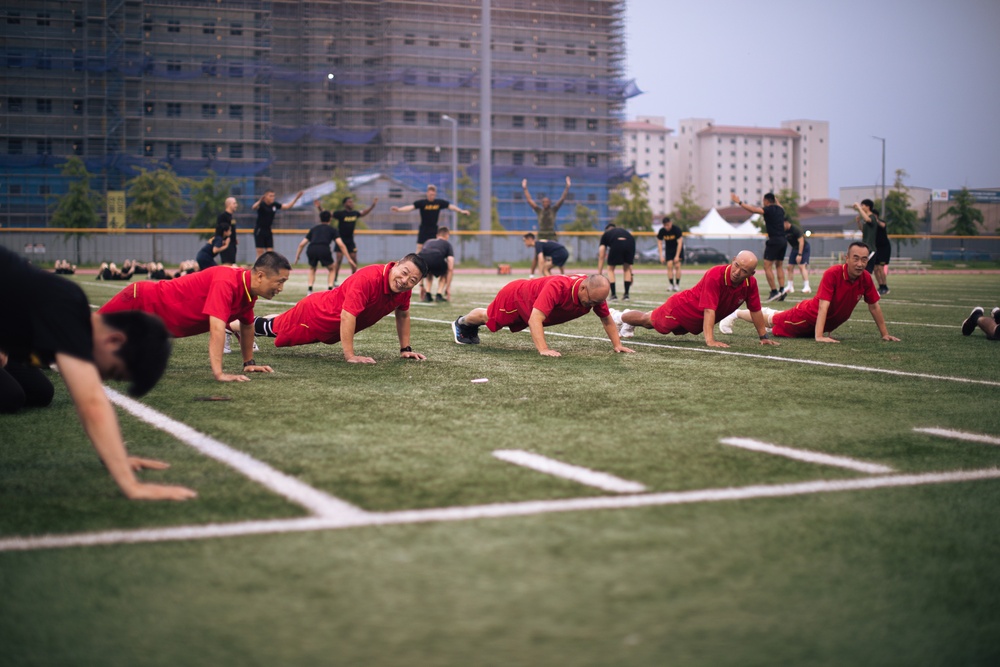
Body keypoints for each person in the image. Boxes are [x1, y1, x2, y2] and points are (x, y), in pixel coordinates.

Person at [0, 245, 194, 501]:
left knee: (40, 392)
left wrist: (115, 458)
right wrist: (131, 485)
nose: (101, 379)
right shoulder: (68, 307)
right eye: (112, 371)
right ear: (114, 340)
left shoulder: (71, 317)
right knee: (10, 396)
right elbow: (91, 402)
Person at [99, 252, 291, 382]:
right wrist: (219, 373)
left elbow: (247, 325)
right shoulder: (226, 282)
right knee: (87, 329)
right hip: (140, 300)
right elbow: (217, 328)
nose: (281, 288)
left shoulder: (248, 292)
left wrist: (249, 363)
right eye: (280, 281)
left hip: (151, 326)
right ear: (260, 276)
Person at [247, 254, 429, 364]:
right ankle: (236, 325)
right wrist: (350, 356)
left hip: (325, 318)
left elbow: (403, 315)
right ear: (395, 264)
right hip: (317, 316)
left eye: (412, 280)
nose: (405, 281)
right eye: (404, 273)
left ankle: (246, 324)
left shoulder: (404, 290)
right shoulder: (368, 278)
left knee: (281, 321)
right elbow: (348, 315)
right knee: (271, 328)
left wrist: (405, 349)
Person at [718, 242, 900, 343]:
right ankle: (736, 313)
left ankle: (742, 314)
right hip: (806, 317)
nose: (860, 264)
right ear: (846, 258)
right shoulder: (833, 273)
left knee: (775, 318)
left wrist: (884, 334)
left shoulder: (865, 278)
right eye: (856, 259)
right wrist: (819, 337)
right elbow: (823, 307)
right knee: (772, 320)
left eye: (864, 260)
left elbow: (874, 306)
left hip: (819, 322)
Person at [611, 250, 779, 349]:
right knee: (648, 321)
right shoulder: (716, 275)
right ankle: (618, 316)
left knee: (649, 319)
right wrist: (710, 340)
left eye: (744, 271)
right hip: (682, 309)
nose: (737, 272)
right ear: (733, 260)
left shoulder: (751, 283)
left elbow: (755, 310)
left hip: (696, 320)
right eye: (737, 265)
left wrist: (763, 336)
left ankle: (627, 322)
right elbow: (709, 310)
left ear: (751, 274)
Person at [451, 273, 635, 357]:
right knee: (489, 318)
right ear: (583, 288)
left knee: (492, 318)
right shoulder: (558, 287)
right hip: (516, 298)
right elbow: (535, 319)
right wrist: (543, 349)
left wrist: (617, 345)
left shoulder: (594, 294)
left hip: (530, 303)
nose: (593, 305)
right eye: (591, 301)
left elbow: (606, 318)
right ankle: (462, 322)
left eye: (597, 302)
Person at [731, 192, 787, 301]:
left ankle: (774, 291)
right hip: (783, 240)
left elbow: (753, 210)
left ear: (766, 201)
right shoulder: (780, 209)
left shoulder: (768, 209)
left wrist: (740, 202)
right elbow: (780, 205)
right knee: (779, 265)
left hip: (774, 240)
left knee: (767, 266)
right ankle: (782, 290)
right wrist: (776, 200)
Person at [293, 207, 356, 293]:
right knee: (332, 269)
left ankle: (310, 290)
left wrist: (297, 256)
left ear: (320, 218)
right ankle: (330, 289)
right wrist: (349, 259)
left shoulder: (314, 229)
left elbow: (302, 244)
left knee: (312, 268)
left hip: (311, 249)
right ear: (330, 219)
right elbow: (341, 244)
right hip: (324, 249)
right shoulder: (332, 230)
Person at [390, 185, 468, 252]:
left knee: (435, 247)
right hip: (424, 229)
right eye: (430, 194)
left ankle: (435, 263)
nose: (432, 196)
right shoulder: (422, 203)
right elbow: (411, 207)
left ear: (435, 194)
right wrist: (399, 209)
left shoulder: (438, 203)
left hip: (434, 229)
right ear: (427, 194)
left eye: (433, 195)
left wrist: (461, 211)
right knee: (419, 247)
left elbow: (450, 206)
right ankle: (415, 263)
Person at [325, 196, 376, 285]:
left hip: (350, 241)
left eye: (352, 202)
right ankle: (335, 279)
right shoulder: (340, 213)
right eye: (349, 202)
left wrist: (373, 205)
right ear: (344, 204)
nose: (351, 203)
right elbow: (327, 214)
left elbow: (364, 212)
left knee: (354, 260)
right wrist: (319, 207)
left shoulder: (354, 213)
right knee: (339, 260)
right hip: (341, 240)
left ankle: (354, 280)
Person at [854, 199, 891, 295]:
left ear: (868, 207)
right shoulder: (868, 220)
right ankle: (877, 288)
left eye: (863, 205)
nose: (862, 207)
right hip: (867, 248)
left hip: (873, 249)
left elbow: (870, 220)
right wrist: (858, 222)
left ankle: (877, 288)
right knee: (870, 269)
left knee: (867, 270)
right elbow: (864, 230)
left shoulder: (872, 218)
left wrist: (858, 208)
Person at [252, 189, 303, 258]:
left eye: (273, 196)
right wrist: (260, 200)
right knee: (260, 253)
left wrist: (296, 198)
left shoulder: (274, 205)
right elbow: (254, 207)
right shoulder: (262, 204)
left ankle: (269, 265)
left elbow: (287, 206)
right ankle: (258, 265)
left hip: (268, 230)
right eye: (270, 196)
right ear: (265, 196)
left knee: (270, 253)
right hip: (260, 230)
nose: (272, 197)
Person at [522, 176, 571, 240]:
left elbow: (562, 199)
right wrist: (525, 188)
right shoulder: (539, 211)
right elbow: (529, 200)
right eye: (544, 202)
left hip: (551, 234)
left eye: (547, 202)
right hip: (542, 234)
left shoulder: (553, 210)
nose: (545, 203)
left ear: (549, 203)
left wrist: (567, 187)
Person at [597, 222, 636, 301]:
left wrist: (599, 274)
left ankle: (613, 295)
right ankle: (626, 295)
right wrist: (631, 274)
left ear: (606, 230)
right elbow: (629, 264)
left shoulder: (606, 234)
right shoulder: (623, 231)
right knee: (626, 269)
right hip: (630, 241)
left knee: (610, 269)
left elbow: (601, 255)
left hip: (616, 243)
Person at [416, 226, 455, 303]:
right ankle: (439, 294)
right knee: (445, 271)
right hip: (437, 258)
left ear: (437, 235)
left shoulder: (428, 241)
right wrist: (448, 287)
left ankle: (427, 294)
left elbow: (419, 264)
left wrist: (421, 286)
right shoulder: (447, 244)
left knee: (429, 271)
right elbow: (450, 264)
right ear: (447, 235)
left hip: (423, 259)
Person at [783, 219, 811, 293]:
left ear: (786, 223)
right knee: (789, 267)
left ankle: (807, 287)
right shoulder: (784, 231)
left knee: (802, 266)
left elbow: (801, 242)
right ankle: (790, 286)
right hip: (795, 248)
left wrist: (799, 254)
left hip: (803, 247)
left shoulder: (795, 229)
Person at [656, 216, 684, 291]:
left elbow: (680, 243)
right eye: (665, 225)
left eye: (668, 225)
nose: (667, 227)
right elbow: (659, 242)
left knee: (677, 266)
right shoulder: (662, 231)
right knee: (669, 266)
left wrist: (677, 256)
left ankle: (677, 285)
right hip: (669, 250)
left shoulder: (676, 229)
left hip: (678, 249)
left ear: (670, 223)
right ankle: (671, 284)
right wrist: (661, 256)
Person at [216, 197, 239, 266]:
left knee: (231, 264)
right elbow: (219, 231)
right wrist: (223, 241)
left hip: (232, 244)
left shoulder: (231, 217)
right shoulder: (222, 216)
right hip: (226, 245)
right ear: (229, 204)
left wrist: (234, 239)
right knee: (227, 264)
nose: (236, 205)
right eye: (234, 203)